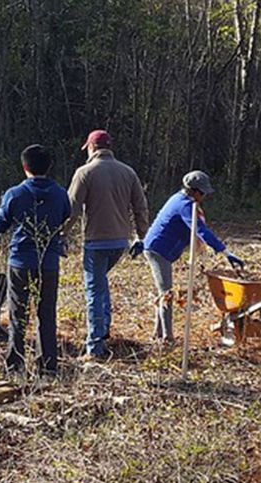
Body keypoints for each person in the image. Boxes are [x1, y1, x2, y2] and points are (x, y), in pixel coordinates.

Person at [65, 129, 150, 358]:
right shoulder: (128, 172)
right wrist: (142, 236)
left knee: (94, 290)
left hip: (96, 241)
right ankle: (103, 331)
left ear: (92, 148)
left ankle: (95, 347)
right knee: (101, 284)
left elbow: (71, 209)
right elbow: (140, 207)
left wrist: (61, 235)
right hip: (120, 242)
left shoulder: (85, 172)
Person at [0, 144, 71, 377]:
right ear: (49, 166)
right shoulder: (60, 193)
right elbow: (65, 216)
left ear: (24, 166)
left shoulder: (15, 193)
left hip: (20, 261)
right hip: (49, 262)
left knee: (18, 314)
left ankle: (15, 366)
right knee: (46, 315)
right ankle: (48, 367)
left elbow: (0, 226)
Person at [143, 171, 245, 344]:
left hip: (160, 249)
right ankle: (167, 338)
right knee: (166, 293)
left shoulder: (180, 199)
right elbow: (201, 230)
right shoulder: (184, 205)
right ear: (193, 191)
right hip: (157, 250)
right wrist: (226, 252)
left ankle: (158, 334)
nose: (204, 196)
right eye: (202, 193)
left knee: (164, 292)